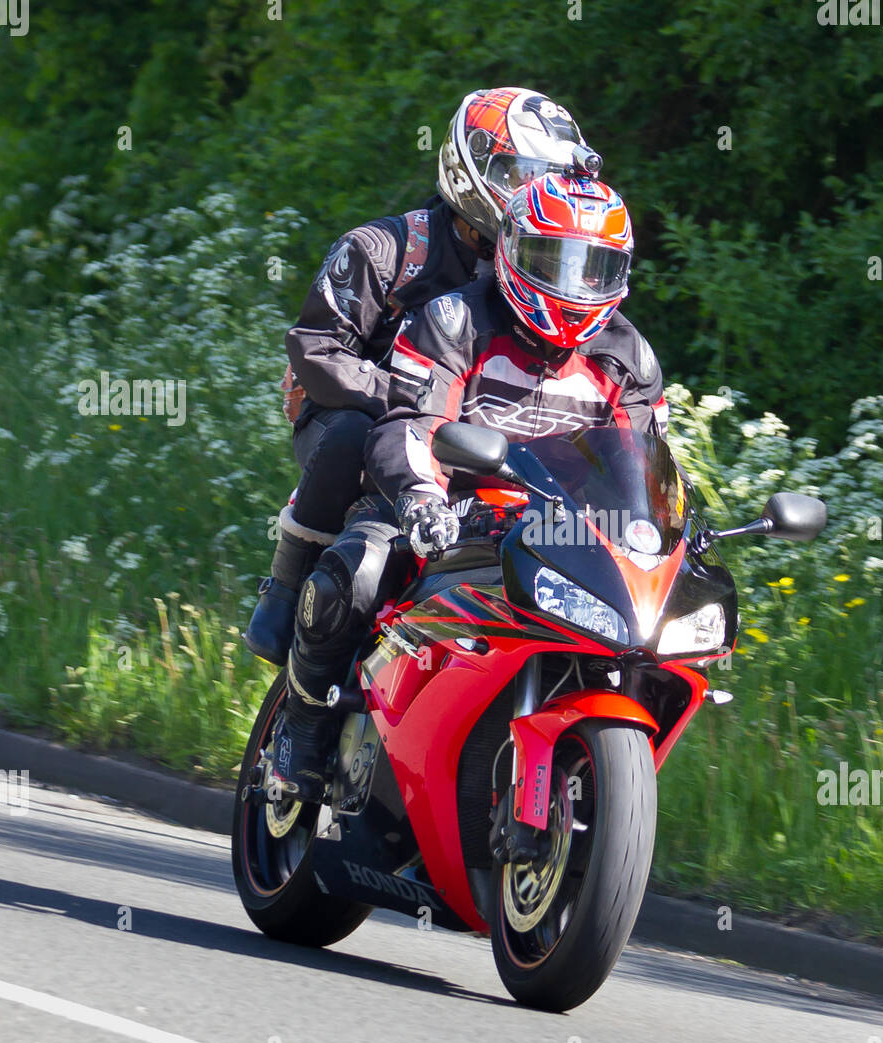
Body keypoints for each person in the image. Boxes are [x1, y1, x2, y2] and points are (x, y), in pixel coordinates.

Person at [270, 171, 668, 803]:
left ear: (617, 274)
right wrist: (421, 496)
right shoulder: (455, 318)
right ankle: (303, 723)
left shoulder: (630, 359)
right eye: (552, 260)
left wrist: (660, 537)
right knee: (358, 570)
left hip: (554, 533)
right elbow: (412, 421)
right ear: (511, 246)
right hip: (443, 506)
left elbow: (642, 469)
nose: (570, 286)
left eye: (590, 267)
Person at [245, 87, 601, 666]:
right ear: (469, 167)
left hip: (470, 429)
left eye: (547, 178)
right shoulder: (384, 249)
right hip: (365, 414)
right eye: (519, 175)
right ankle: (287, 588)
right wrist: (406, 395)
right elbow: (314, 348)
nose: (533, 193)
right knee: (349, 434)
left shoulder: (544, 262)